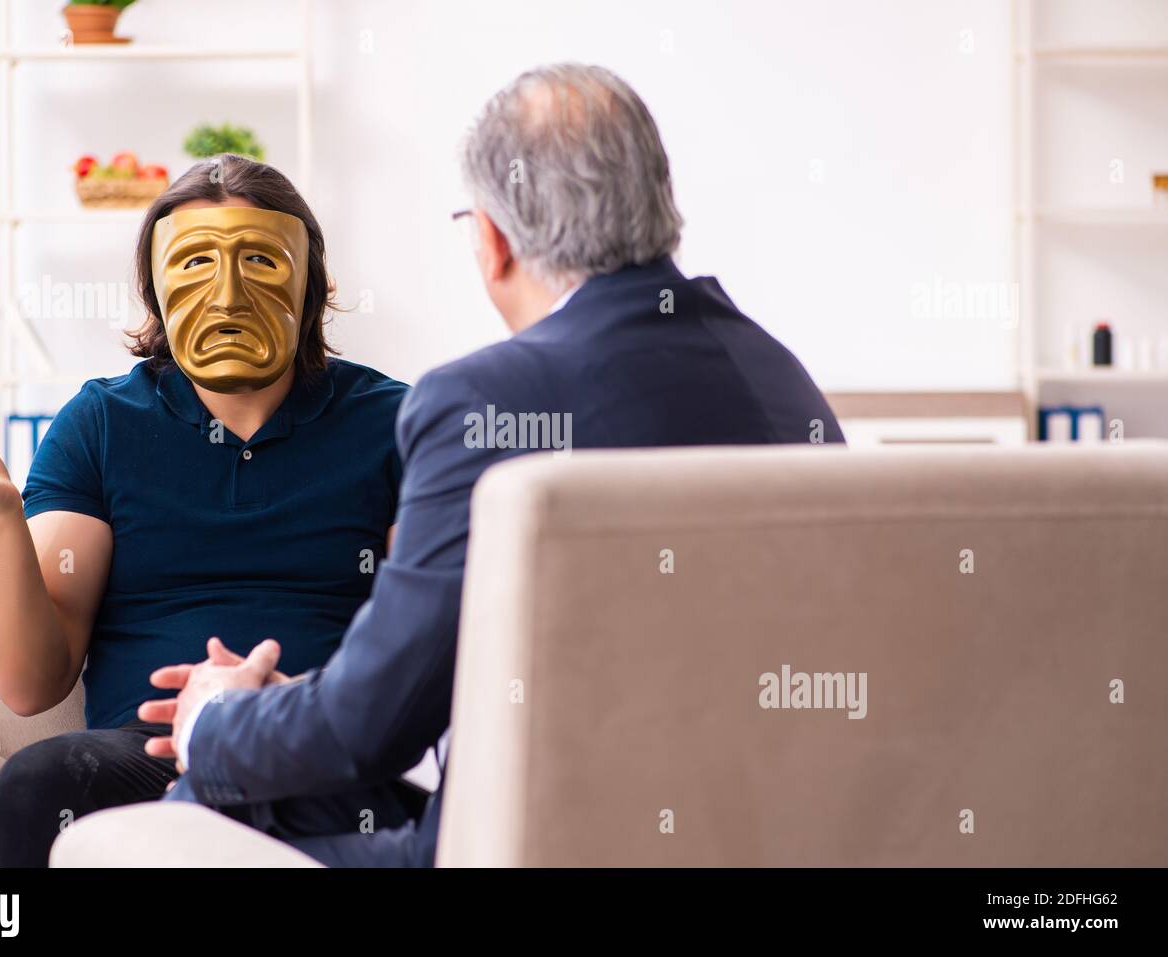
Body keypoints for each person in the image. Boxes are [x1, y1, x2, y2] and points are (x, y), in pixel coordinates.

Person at [136, 64, 846, 866]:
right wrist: (301, 703)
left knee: (195, 810)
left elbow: (369, 726)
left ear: (493, 239)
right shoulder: (780, 380)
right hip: (756, 836)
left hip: (533, 845)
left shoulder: (486, 400)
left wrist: (212, 718)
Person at [0, 154, 419, 867]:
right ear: (155, 291)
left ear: (313, 285)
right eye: (196, 263)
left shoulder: (393, 420)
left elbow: (434, 628)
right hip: (150, 753)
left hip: (318, 740)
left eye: (260, 260)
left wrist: (325, 707)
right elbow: (28, 683)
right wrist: (2, 516)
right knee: (35, 786)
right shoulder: (102, 422)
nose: (227, 297)